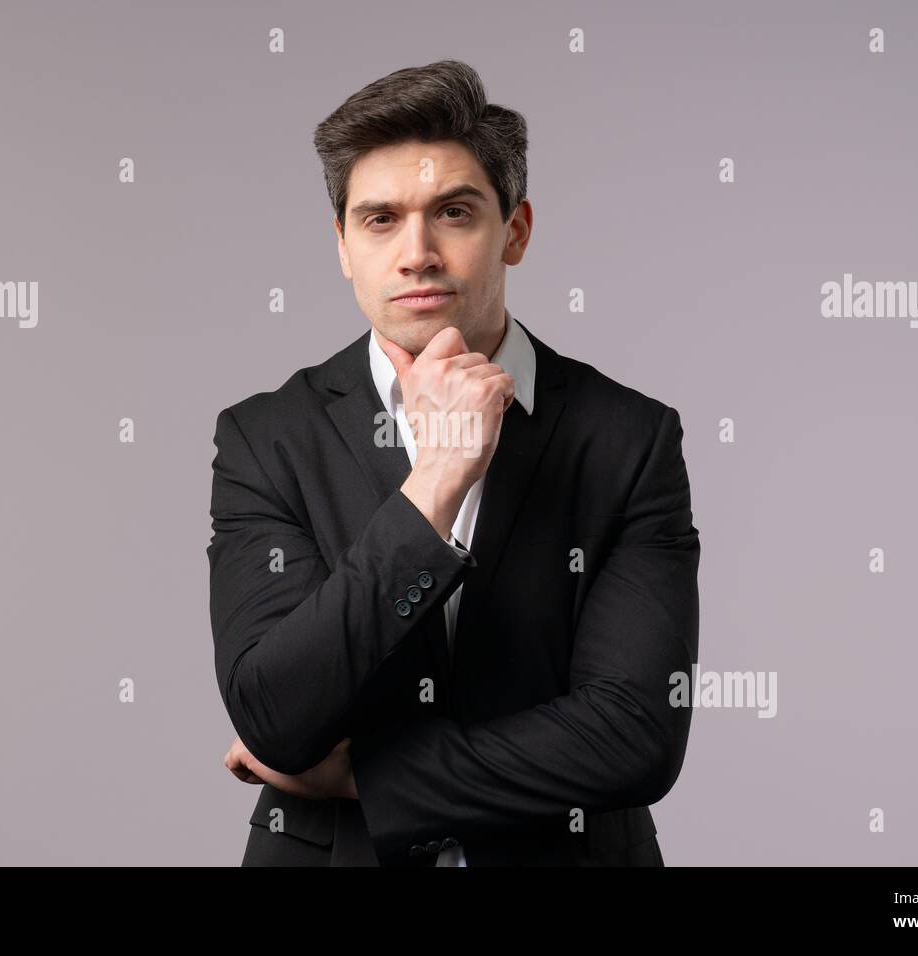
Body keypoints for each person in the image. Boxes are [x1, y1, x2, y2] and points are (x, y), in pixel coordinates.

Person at [208, 59, 700, 866]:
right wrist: (436, 482)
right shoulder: (267, 438)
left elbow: (634, 734)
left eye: (454, 213)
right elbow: (275, 712)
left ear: (516, 230)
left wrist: (365, 775)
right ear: (341, 246)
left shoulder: (629, 438)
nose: (417, 253)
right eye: (379, 220)